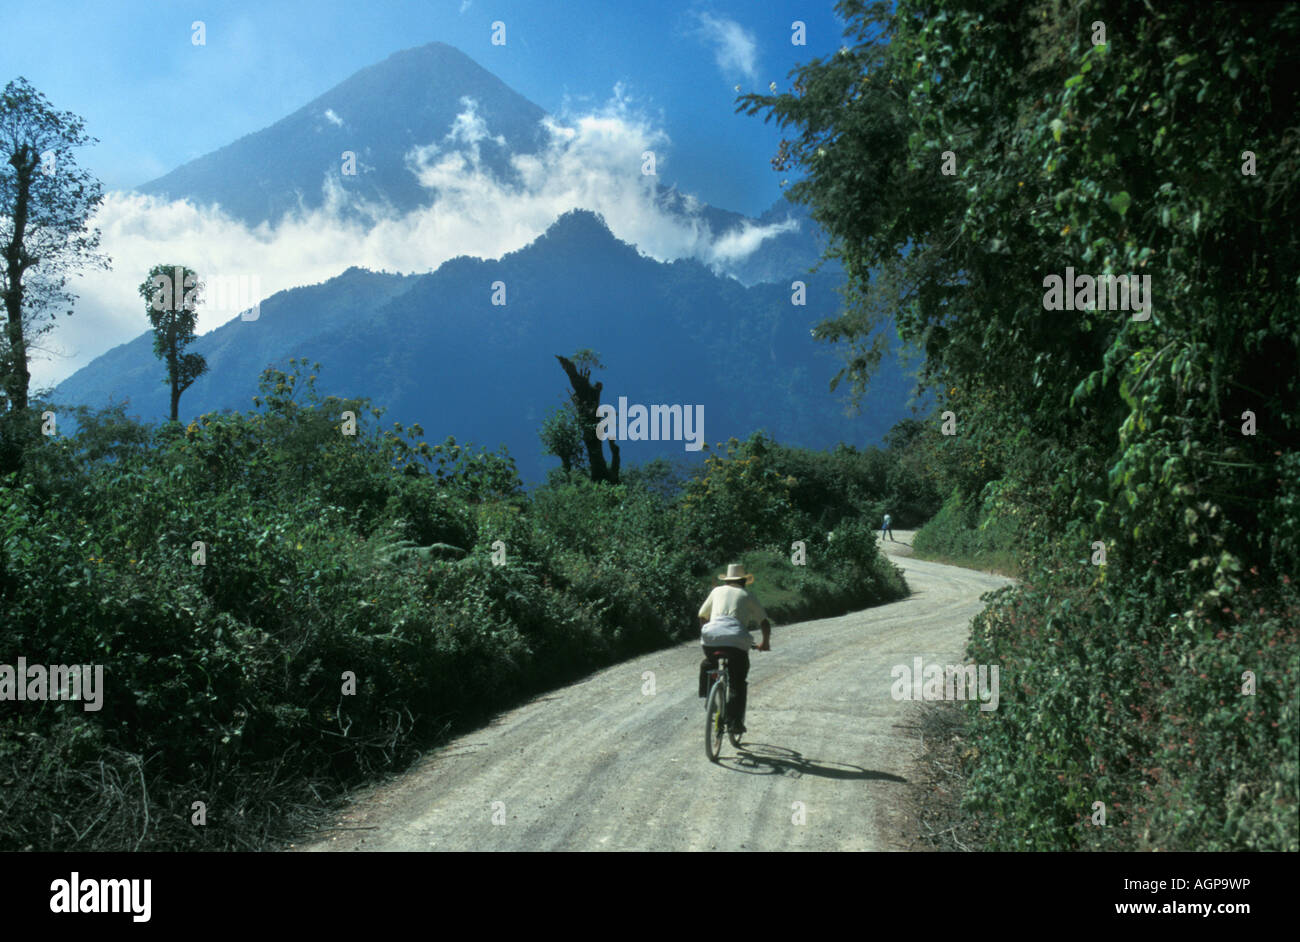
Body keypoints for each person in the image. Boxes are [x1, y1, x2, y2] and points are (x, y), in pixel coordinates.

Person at [698, 563, 770, 735]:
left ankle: (709, 694)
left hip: (711, 636)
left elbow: (702, 615)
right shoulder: (747, 595)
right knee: (738, 681)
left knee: (708, 663)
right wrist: (765, 643)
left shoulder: (716, 591)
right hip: (737, 641)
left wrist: (708, 634)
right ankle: (734, 722)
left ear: (728, 580)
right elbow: (764, 622)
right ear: (744, 581)